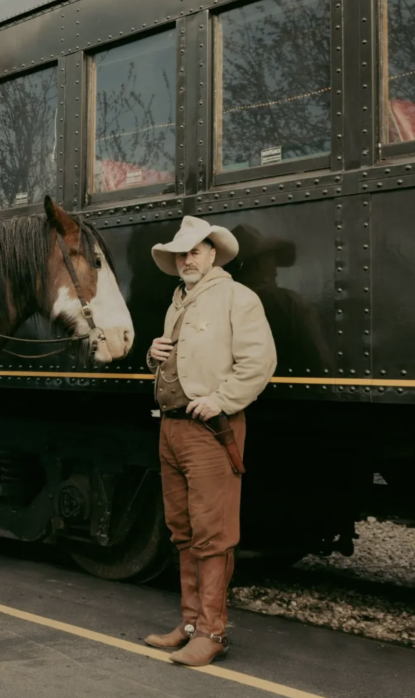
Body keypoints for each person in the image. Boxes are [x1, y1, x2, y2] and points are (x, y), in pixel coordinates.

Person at [143, 216, 277, 667]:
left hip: (209, 432)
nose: (186, 259)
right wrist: (153, 355)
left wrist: (220, 400)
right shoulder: (179, 300)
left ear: (213, 254)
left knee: (212, 533)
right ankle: (188, 624)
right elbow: (182, 360)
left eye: (194, 251)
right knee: (183, 531)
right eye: (181, 253)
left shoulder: (237, 298)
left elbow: (258, 363)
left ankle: (212, 632)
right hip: (172, 427)